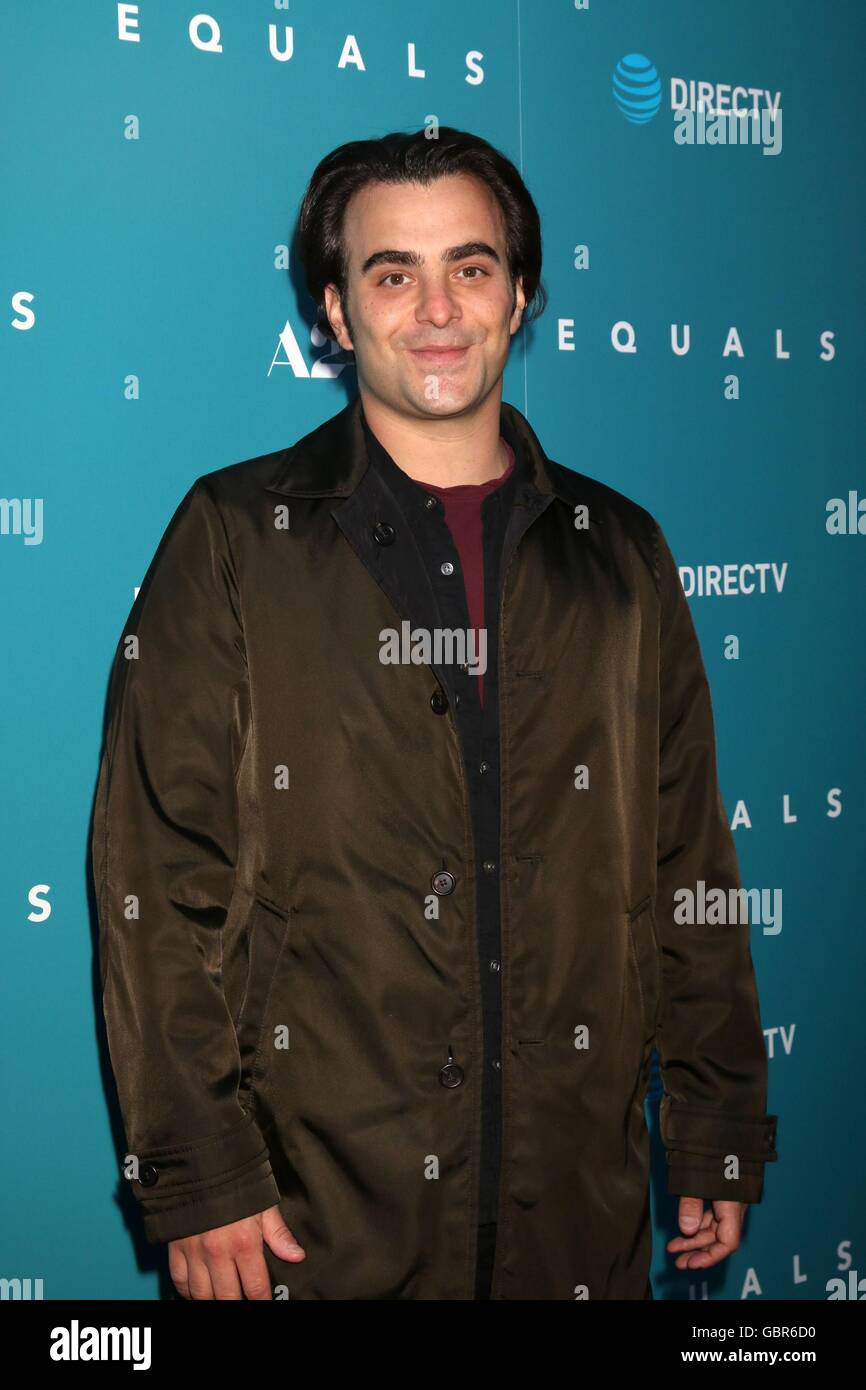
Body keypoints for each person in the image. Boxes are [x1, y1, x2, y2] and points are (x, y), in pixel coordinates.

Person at [91, 126, 778, 1301]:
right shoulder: (234, 536)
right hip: (315, 1221)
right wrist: (201, 1168)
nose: (436, 308)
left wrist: (714, 1116)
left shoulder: (619, 552)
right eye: (390, 273)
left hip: (576, 1216)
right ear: (336, 312)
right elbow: (155, 877)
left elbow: (686, 863)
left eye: (467, 266)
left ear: (519, 295)